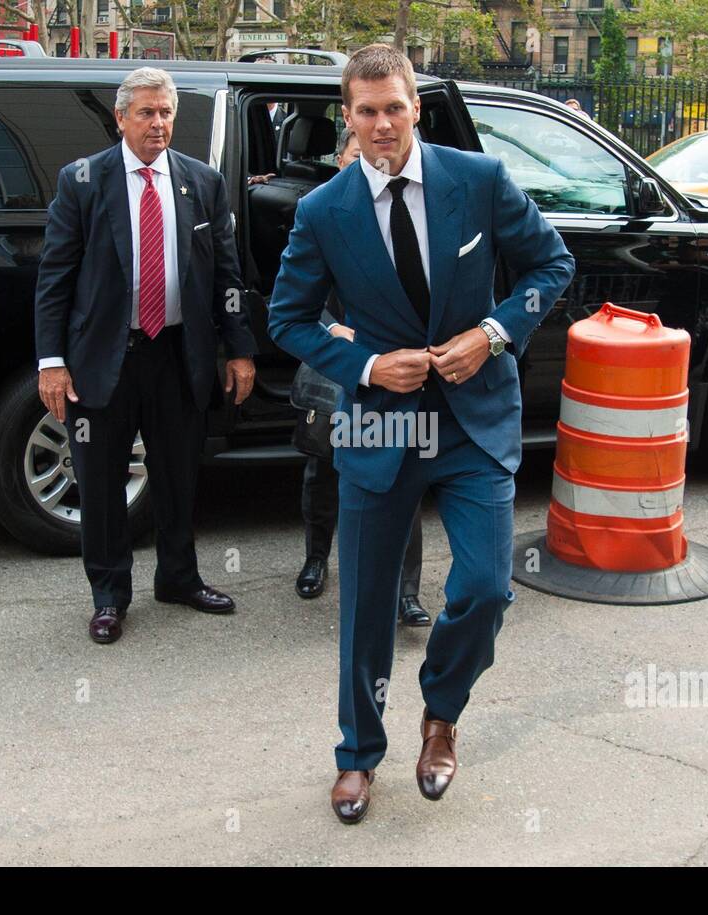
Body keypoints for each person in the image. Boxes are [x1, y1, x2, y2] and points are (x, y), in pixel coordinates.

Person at [267, 44, 575, 824]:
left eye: (394, 108)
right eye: (365, 111)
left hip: (474, 421)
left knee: (484, 587)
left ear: (416, 108)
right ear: (350, 116)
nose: (380, 125)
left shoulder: (479, 181)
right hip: (381, 425)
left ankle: (441, 714)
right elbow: (288, 319)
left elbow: (551, 266)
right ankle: (357, 756)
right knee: (367, 606)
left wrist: (493, 336)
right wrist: (368, 366)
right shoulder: (323, 211)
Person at [35, 67, 258, 643]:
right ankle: (109, 594)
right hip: (102, 360)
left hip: (178, 355)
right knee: (103, 484)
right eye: (146, 113)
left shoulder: (202, 183)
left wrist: (239, 350)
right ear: (121, 118)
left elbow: (226, 274)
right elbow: (54, 278)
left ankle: (179, 578)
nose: (158, 123)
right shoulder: (82, 182)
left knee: (178, 475)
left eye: (165, 113)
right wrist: (51, 361)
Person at [295, 127, 431, 629]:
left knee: (399, 474)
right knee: (325, 472)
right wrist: (336, 331)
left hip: (392, 377)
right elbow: (293, 307)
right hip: (338, 366)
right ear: (340, 162)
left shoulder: (407, 212)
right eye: (355, 158)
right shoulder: (322, 213)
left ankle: (406, 592)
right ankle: (316, 560)